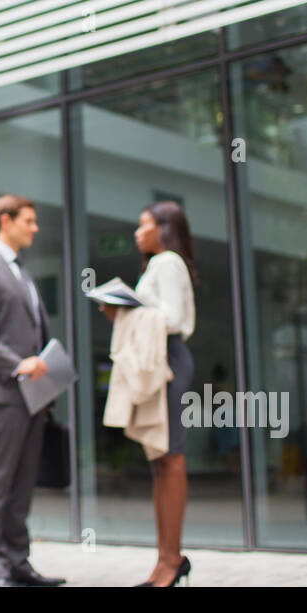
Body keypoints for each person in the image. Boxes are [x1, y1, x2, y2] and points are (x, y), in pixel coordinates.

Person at [0, 195, 65, 587]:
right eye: (29, 221)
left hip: (32, 398)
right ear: (5, 220)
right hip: (2, 396)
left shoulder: (22, 271)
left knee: (20, 489)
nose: (35, 228)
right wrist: (17, 363)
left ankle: (18, 564)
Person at [101, 200, 196, 586]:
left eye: (144, 226)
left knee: (171, 458)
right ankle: (164, 561)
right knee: (160, 460)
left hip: (168, 360)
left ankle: (172, 561)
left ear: (164, 229)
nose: (137, 233)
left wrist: (130, 308)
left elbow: (171, 318)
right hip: (158, 359)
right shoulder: (156, 265)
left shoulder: (168, 262)